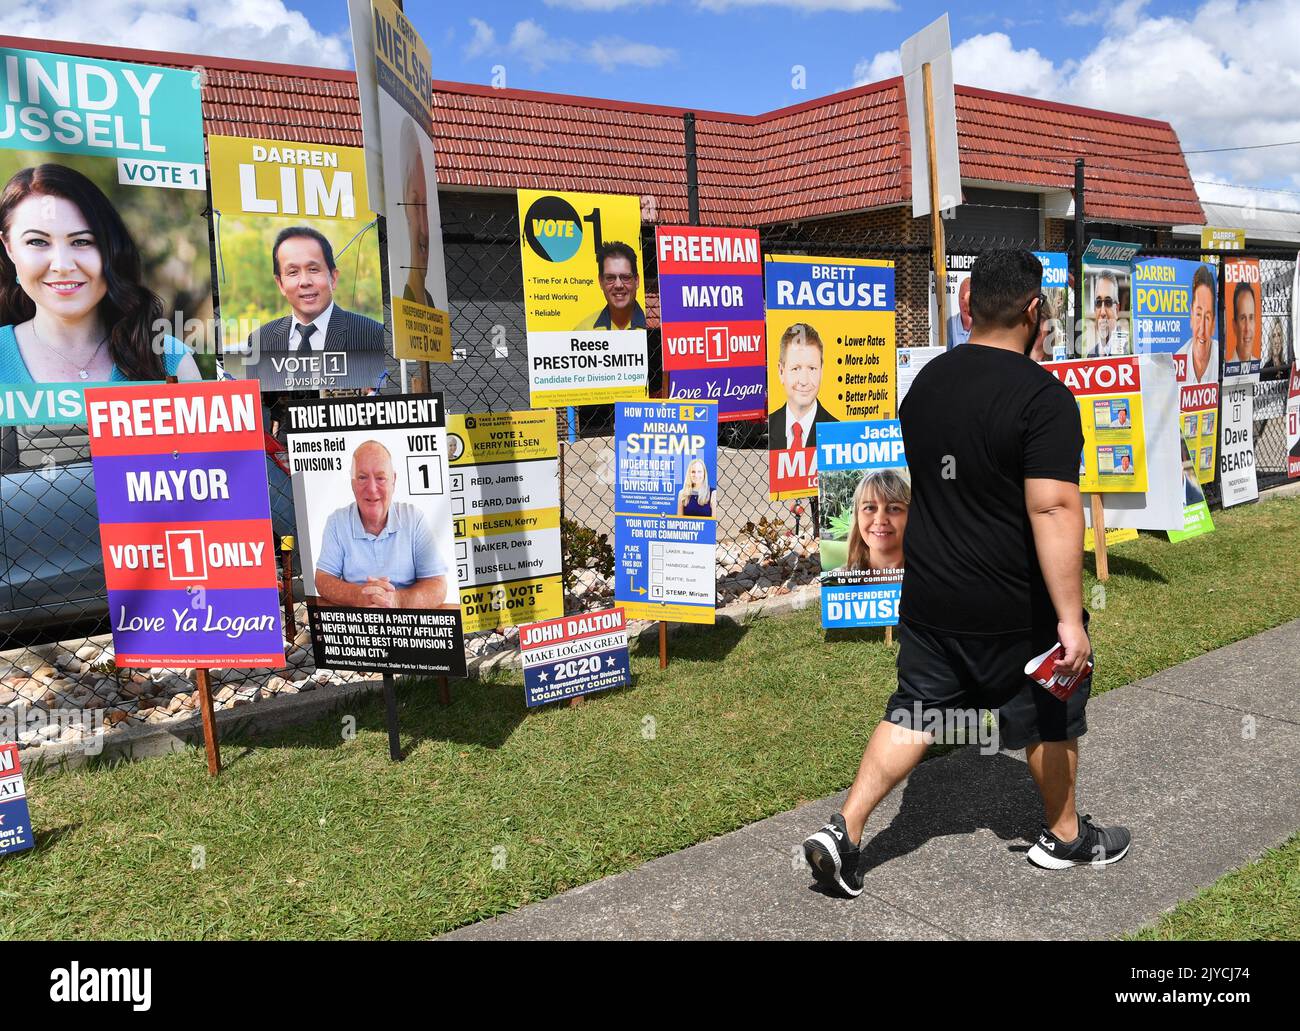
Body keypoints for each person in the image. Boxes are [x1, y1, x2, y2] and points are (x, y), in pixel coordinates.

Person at [801, 249, 1129, 897]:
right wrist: (1069, 618)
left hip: (931, 598)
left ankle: (845, 828)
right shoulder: (1046, 399)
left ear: (966, 305)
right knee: (1051, 708)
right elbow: (1054, 506)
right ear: (1035, 312)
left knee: (916, 712)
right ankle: (1065, 835)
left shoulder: (925, 386)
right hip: (1016, 605)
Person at [0, 164, 198, 384]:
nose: (62, 265)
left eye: (81, 241)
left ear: (111, 248)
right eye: (37, 242)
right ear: (9, 248)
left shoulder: (167, 358)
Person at [314, 440, 449, 609]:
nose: (372, 489)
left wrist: (396, 600)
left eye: (380, 478)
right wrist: (359, 596)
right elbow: (323, 579)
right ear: (352, 482)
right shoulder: (337, 521)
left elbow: (437, 585)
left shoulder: (414, 519)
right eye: (362, 477)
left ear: (393, 480)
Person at [245, 226, 384, 360]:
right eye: (293, 272)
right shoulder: (259, 342)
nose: (305, 282)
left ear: (333, 278)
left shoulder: (372, 335)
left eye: (313, 269)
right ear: (280, 284)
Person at [767, 323, 838, 452]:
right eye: (795, 369)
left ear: (821, 370)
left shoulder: (838, 432)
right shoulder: (770, 426)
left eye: (812, 368)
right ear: (781, 372)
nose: (804, 381)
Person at [399, 117, 436, 309]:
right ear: (404, 208)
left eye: (425, 205)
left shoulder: (430, 302)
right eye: (415, 204)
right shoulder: (405, 304)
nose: (423, 226)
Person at [844, 469, 909, 572]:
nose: (880, 520)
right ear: (857, 516)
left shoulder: (932, 578)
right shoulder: (835, 582)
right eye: (869, 508)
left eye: (894, 508)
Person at [575, 241, 646, 331]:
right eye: (610, 278)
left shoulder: (655, 328)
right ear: (601, 282)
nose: (618, 285)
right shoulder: (584, 331)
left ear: (636, 280)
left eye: (625, 277)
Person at [1177, 265, 1218, 385]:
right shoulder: (1178, 361)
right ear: (1191, 315)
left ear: (1214, 323)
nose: (1202, 329)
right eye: (1199, 314)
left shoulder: (1223, 360)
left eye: (1207, 317)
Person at [1086, 271, 1122, 357]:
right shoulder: (1091, 355)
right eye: (1098, 303)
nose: (1102, 312)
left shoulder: (1129, 353)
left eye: (1108, 302)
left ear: (1116, 310)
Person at [1231, 279, 1257, 365]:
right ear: (1234, 325)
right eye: (1242, 318)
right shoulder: (1225, 371)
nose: (1247, 328)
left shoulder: (1258, 366)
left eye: (1251, 317)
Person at [945, 275, 972, 348]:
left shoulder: (983, 324)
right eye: (962, 298)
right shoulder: (951, 324)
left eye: (969, 297)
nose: (965, 303)